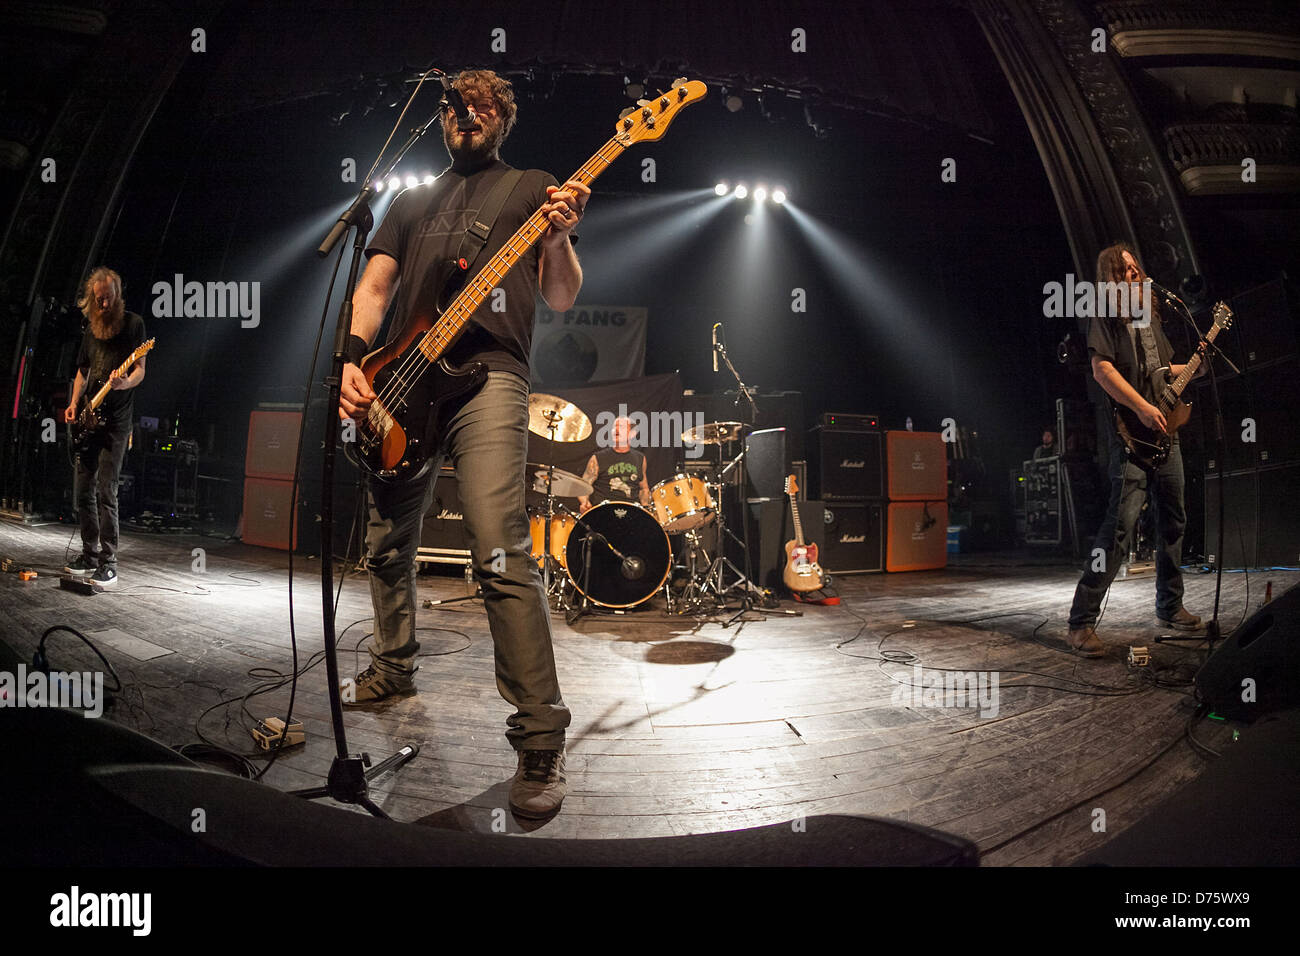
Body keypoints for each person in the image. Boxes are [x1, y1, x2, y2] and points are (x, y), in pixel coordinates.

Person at [337, 69, 587, 818]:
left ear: (502, 121)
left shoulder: (533, 187)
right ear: (443, 118)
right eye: (457, 106)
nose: (465, 116)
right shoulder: (411, 200)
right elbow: (376, 288)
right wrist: (354, 361)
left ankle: (540, 738)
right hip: (399, 383)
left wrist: (563, 235)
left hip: (488, 377)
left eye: (483, 108)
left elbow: (563, 292)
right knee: (385, 543)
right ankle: (393, 665)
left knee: (498, 544)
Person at [1066, 243, 1202, 656]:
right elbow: (1102, 370)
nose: (1134, 273)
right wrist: (1141, 408)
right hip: (1130, 437)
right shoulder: (1105, 315)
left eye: (1135, 267)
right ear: (1111, 278)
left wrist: (1199, 363)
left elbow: (1164, 373)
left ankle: (1170, 606)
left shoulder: (1151, 318)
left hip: (1166, 435)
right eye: (1124, 269)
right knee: (1119, 529)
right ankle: (1081, 621)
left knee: (1174, 521)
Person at [62, 267, 147, 588]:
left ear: (118, 295)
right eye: (98, 300)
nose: (104, 305)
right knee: (82, 494)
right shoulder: (90, 330)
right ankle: (88, 554)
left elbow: (140, 370)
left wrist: (124, 383)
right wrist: (73, 402)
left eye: (108, 299)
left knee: (106, 492)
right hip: (88, 418)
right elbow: (83, 372)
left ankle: (109, 562)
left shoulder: (134, 325)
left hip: (116, 423)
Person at [578, 416, 652, 513]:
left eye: (621, 427)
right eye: (614, 427)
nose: (616, 430)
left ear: (632, 433)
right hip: (604, 512)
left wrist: (645, 507)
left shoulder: (640, 458)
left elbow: (644, 489)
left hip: (631, 513)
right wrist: (584, 502)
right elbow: (584, 486)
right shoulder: (598, 458)